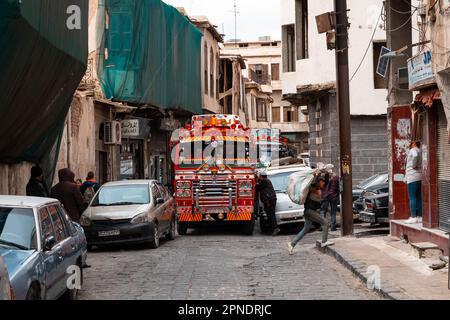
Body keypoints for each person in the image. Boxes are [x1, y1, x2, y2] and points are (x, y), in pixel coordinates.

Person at [287, 176, 334, 255]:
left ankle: (292, 244)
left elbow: (324, 184)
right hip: (310, 211)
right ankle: (324, 241)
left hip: (308, 212)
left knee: (305, 229)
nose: (323, 183)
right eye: (322, 182)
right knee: (325, 223)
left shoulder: (317, 190)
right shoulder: (313, 190)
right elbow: (313, 185)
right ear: (318, 183)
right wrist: (316, 175)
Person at [255, 171, 280, 236]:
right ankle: (272, 229)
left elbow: (257, 187)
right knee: (269, 215)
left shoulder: (265, 181)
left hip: (269, 201)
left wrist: (255, 182)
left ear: (261, 176)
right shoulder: (266, 181)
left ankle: (275, 228)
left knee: (271, 215)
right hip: (269, 200)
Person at [405, 140, 422, 224]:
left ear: (414, 143)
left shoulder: (413, 150)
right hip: (419, 176)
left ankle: (413, 217)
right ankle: (420, 216)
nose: (409, 144)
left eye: (411, 142)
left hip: (412, 177)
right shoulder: (420, 150)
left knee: (412, 197)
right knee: (419, 197)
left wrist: (413, 165)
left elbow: (415, 156)